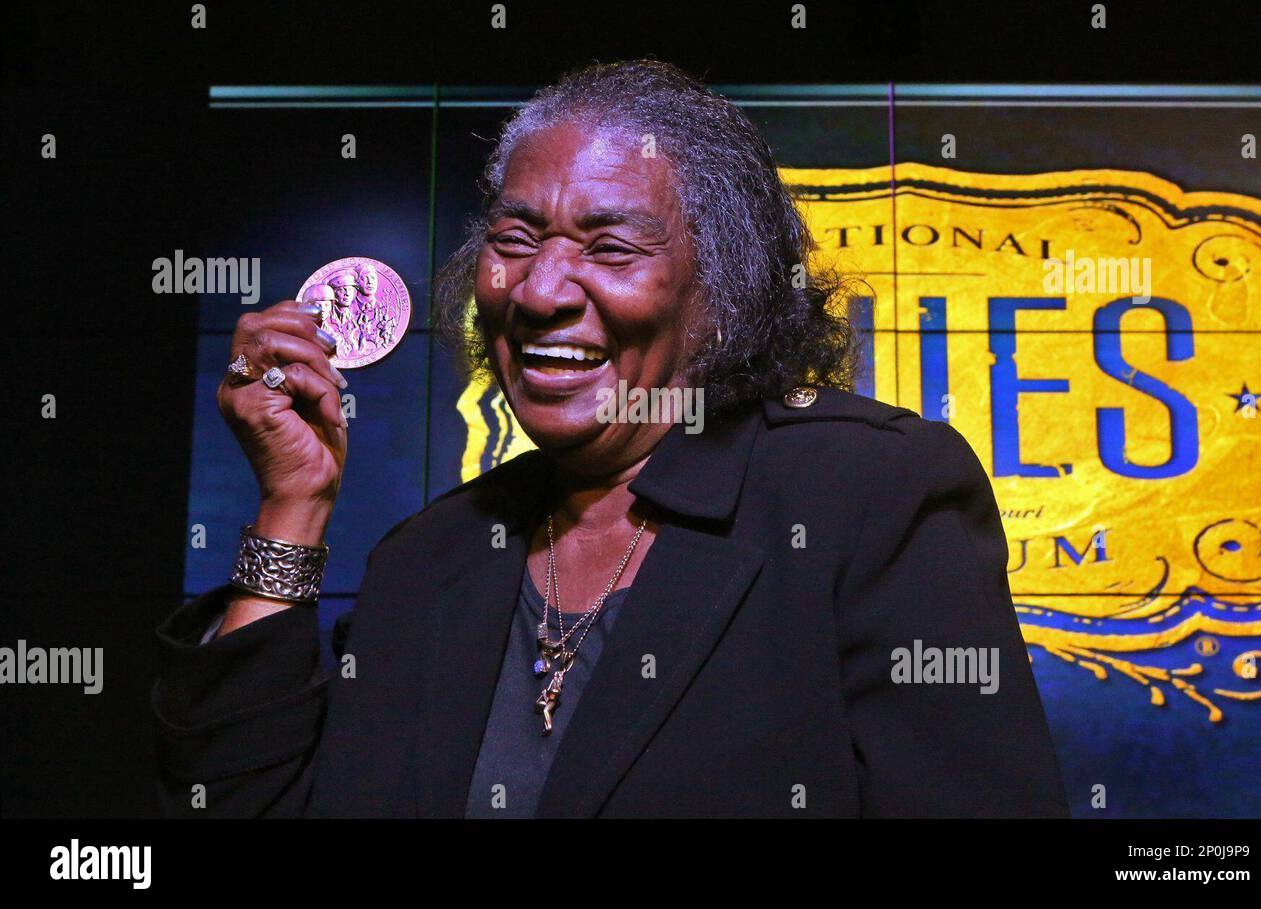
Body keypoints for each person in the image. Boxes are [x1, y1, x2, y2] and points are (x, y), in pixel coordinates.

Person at [154, 59, 1068, 818]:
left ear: (724, 290)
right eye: (517, 237)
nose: (541, 287)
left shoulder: (868, 491)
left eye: (610, 246)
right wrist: (293, 506)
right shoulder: (427, 563)